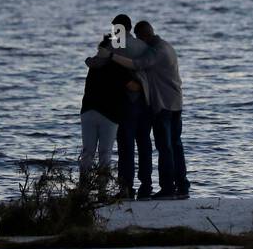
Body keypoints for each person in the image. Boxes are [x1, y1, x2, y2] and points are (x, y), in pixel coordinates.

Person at [110, 21, 188, 199]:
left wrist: (112, 56)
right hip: (175, 103)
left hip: (163, 105)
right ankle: (182, 186)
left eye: (139, 38)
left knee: (165, 147)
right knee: (175, 145)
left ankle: (168, 188)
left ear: (142, 36)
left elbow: (137, 64)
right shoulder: (167, 46)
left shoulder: (156, 51)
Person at [86, 14, 154, 199]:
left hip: (127, 101)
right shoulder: (143, 46)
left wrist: (89, 60)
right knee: (145, 144)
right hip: (145, 100)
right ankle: (146, 186)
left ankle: (126, 188)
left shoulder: (116, 45)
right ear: (131, 27)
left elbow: (99, 62)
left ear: (118, 28)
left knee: (126, 146)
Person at [78, 31, 129, 182]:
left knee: (88, 152)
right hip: (109, 113)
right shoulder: (117, 67)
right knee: (105, 153)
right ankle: (101, 189)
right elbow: (132, 86)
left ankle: (83, 185)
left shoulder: (93, 64)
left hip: (88, 111)